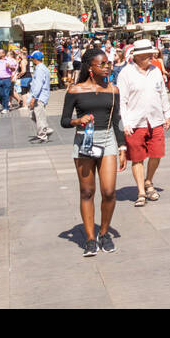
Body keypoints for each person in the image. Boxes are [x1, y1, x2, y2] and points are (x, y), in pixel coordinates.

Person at [60, 48, 126, 256]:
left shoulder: (113, 91)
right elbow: (63, 121)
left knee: (109, 191)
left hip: (107, 140)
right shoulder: (75, 91)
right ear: (90, 68)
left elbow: (117, 122)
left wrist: (122, 147)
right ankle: (90, 238)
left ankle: (104, 233)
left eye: (108, 63)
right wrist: (77, 121)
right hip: (84, 141)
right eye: (103, 64)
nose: (108, 67)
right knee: (87, 192)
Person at [116, 39, 170, 207]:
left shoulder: (155, 70)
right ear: (138, 57)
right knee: (137, 158)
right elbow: (122, 101)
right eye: (148, 55)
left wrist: (167, 113)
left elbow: (162, 93)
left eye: (151, 55)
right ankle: (141, 191)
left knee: (157, 154)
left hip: (155, 120)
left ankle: (149, 180)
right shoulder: (126, 73)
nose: (151, 58)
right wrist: (125, 123)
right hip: (135, 122)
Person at [26, 50, 53, 143]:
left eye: (32, 58)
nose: (31, 60)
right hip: (40, 95)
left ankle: (42, 135)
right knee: (33, 114)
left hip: (39, 96)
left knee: (38, 115)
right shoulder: (42, 68)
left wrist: (34, 97)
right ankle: (45, 129)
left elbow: (38, 85)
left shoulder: (40, 69)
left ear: (35, 59)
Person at [0, 48, 15, 114]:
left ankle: (5, 108)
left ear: (3, 54)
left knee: (5, 94)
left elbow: (14, 69)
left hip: (6, 79)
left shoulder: (9, 60)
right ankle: (4, 104)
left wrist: (9, 66)